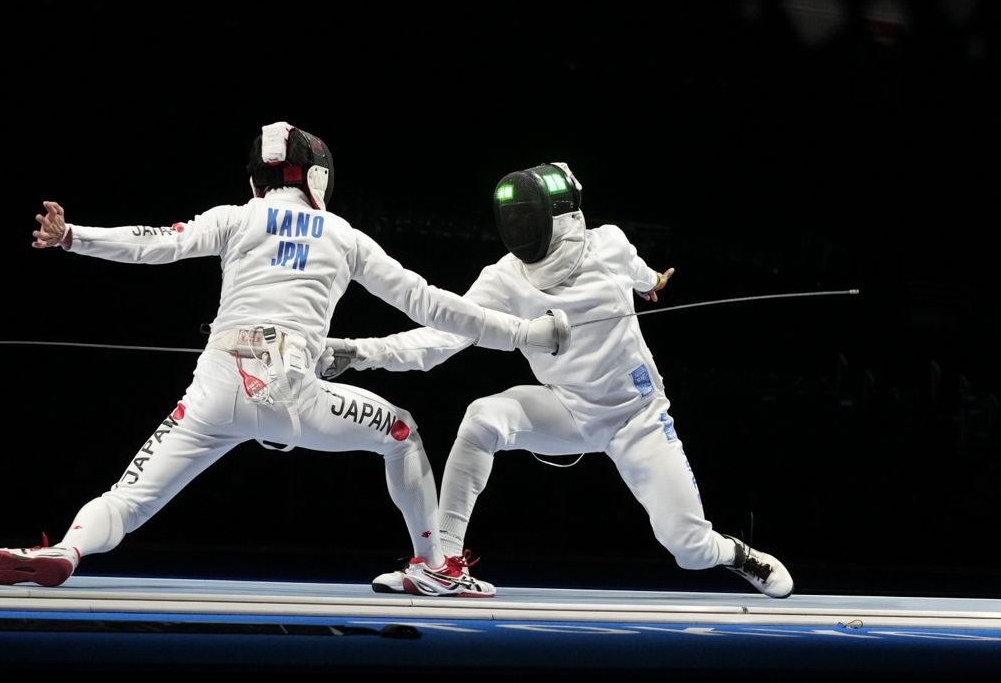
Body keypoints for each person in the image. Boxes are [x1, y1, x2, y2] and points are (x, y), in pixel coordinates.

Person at [0, 123, 570, 595]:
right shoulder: (342, 234)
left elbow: (156, 243)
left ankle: (64, 550)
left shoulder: (235, 219)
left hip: (212, 393)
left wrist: (74, 235)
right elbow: (433, 305)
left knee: (128, 497)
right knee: (403, 432)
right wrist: (525, 331)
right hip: (290, 393)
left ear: (258, 180)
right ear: (317, 177)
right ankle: (433, 565)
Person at [320, 162, 793, 598]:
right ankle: (445, 563)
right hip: (569, 410)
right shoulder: (505, 278)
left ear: (561, 215)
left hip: (638, 418)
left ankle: (737, 553)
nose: (521, 226)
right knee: (483, 418)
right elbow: (440, 338)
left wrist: (651, 282)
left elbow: (643, 275)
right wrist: (362, 352)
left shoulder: (609, 243)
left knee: (688, 548)